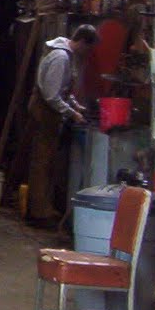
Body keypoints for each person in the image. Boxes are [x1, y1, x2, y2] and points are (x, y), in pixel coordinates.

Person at [23, 24, 98, 222]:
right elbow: (51, 95)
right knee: (42, 163)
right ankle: (38, 213)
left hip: (51, 110)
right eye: (88, 48)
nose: (87, 54)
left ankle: (43, 207)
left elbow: (63, 89)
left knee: (47, 162)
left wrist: (76, 105)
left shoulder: (67, 55)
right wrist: (73, 113)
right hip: (45, 111)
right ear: (82, 42)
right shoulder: (61, 58)